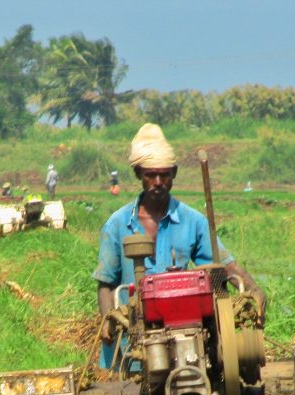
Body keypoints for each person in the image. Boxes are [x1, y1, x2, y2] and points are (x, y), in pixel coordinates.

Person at [93, 123, 266, 369]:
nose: (158, 182)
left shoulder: (193, 221)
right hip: (131, 347)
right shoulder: (117, 225)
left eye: (164, 175)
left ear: (174, 173)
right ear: (138, 174)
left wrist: (254, 290)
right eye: (150, 175)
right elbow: (106, 284)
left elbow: (225, 266)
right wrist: (108, 321)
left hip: (185, 344)